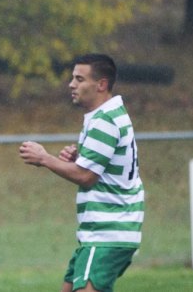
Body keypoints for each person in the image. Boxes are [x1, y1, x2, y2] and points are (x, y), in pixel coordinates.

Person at [19, 53, 143, 292]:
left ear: (101, 84)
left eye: (79, 79)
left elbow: (86, 177)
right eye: (72, 78)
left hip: (108, 231)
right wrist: (80, 160)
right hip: (103, 233)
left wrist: (45, 158)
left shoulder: (105, 120)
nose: (71, 84)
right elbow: (102, 169)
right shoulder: (104, 116)